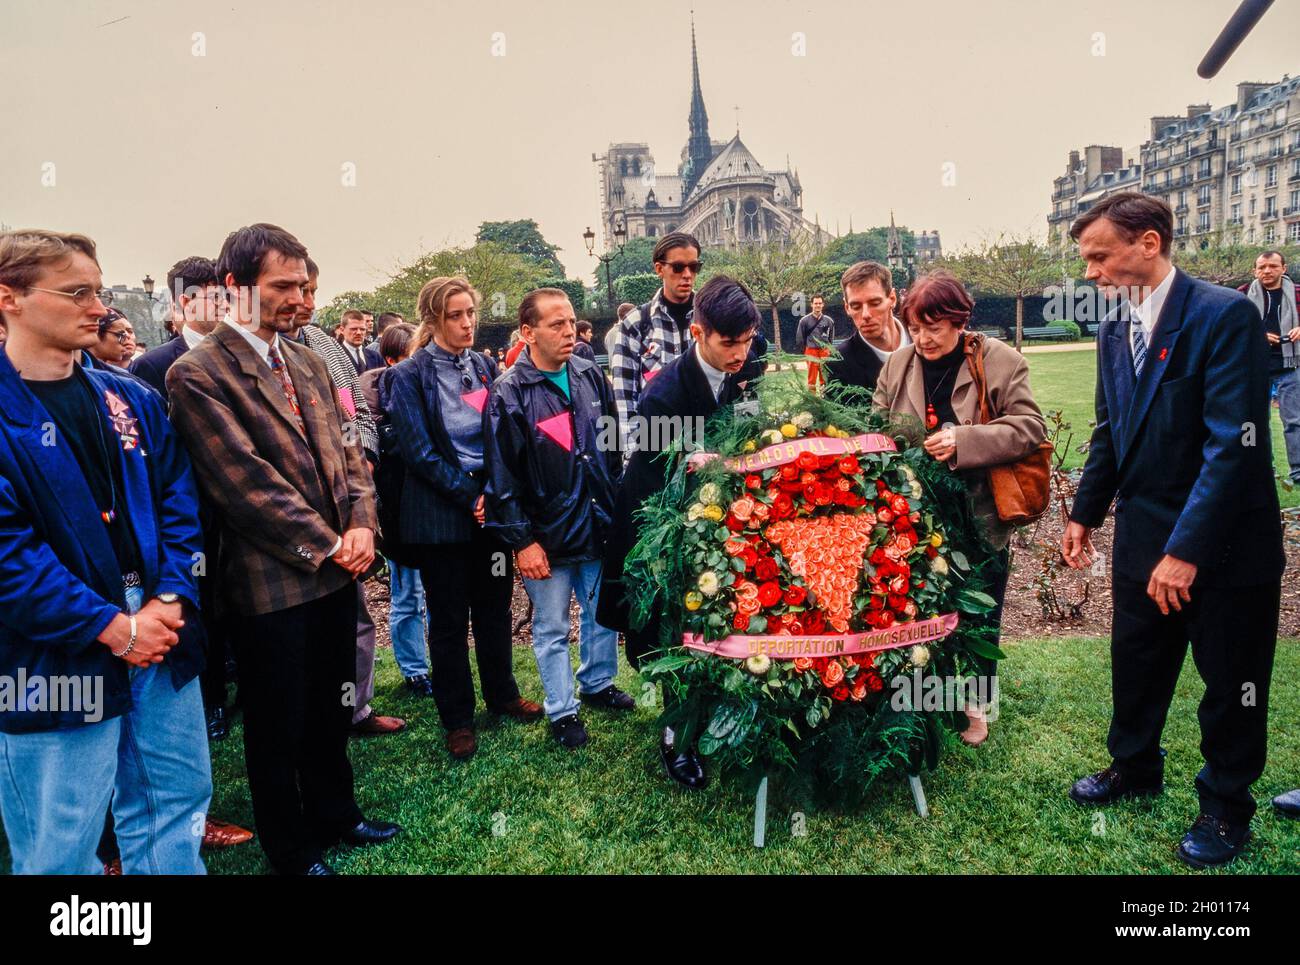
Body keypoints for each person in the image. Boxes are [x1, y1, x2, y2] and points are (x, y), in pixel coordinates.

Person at [167, 223, 402, 875]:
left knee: (331, 704)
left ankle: (337, 812)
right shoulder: (198, 373)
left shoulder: (303, 358)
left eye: (303, 283)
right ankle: (292, 849)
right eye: (284, 285)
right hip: (270, 582)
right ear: (236, 287)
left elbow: (350, 450)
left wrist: (362, 525)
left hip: (335, 568)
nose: (300, 296)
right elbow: (244, 484)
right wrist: (332, 543)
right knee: (278, 722)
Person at [1061, 192, 1283, 869]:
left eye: (1099, 256)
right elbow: (1109, 432)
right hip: (1141, 535)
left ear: (1149, 242)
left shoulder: (1225, 316)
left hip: (1223, 547)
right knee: (1137, 663)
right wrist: (1083, 513)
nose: (1091, 272)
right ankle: (1134, 765)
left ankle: (1225, 804)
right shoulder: (1111, 330)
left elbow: (1232, 447)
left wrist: (1185, 551)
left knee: (1231, 680)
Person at [0, 228, 211, 874]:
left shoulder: (132, 399)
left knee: (175, 803)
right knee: (61, 842)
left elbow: (181, 504)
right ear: (9, 298)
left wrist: (172, 595)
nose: (100, 307)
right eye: (77, 292)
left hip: (160, 623)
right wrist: (115, 628)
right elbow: (10, 559)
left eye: (99, 288)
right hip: (56, 651)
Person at [599, 275, 764, 787]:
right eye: (728, 342)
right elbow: (649, 466)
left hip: (727, 514)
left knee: (727, 613)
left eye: (747, 339)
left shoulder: (751, 365)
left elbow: (751, 427)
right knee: (675, 623)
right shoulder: (663, 391)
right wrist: (690, 460)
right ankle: (677, 732)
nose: (740, 353)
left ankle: (723, 710)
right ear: (698, 332)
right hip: (662, 520)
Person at [873, 270, 1045, 746]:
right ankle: (922, 696)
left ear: (959, 320)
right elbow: (876, 425)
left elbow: (1030, 427)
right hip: (914, 515)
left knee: (981, 608)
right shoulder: (897, 364)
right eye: (916, 327)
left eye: (935, 327)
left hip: (981, 512)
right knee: (921, 607)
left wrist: (965, 440)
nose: (924, 338)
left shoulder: (1000, 360)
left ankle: (976, 705)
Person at [385, 278, 542, 758]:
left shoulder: (481, 364)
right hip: (440, 516)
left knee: (495, 609)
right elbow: (417, 451)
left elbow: (498, 433)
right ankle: (457, 718)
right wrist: (468, 495)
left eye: (471, 311)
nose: (468, 322)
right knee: (449, 621)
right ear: (432, 321)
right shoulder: (408, 375)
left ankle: (502, 696)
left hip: (487, 510)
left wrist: (492, 492)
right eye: (456, 315)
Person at [484, 288, 633, 749]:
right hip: (544, 536)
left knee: (601, 615)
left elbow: (609, 450)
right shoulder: (509, 392)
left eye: (571, 321)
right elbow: (501, 475)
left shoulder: (591, 375)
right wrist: (521, 541)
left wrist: (613, 509)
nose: (569, 331)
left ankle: (598, 682)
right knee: (551, 628)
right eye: (556, 324)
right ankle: (562, 710)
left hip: (597, 523)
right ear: (528, 332)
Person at [289, 260, 401, 739]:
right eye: (294, 288)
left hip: (341, 507)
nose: (305, 301)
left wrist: (365, 465)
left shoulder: (326, 348)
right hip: (287, 524)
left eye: (311, 289)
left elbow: (354, 414)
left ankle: (355, 708)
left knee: (353, 617)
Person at [360, 322, 433, 697]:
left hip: (430, 514)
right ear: (392, 359)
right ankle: (414, 668)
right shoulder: (377, 407)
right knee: (407, 595)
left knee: (435, 594)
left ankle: (436, 662)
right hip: (398, 516)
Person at [611, 232, 702, 448]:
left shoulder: (711, 317)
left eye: (694, 267)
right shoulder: (636, 324)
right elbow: (624, 398)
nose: (687, 274)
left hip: (709, 445)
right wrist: (633, 456)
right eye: (678, 267)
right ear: (659, 269)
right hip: (655, 446)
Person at [1238, 250, 1300, 481]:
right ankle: (1255, 465)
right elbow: (1233, 326)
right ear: (1255, 270)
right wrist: (1258, 334)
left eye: (1273, 266)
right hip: (1254, 366)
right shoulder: (1243, 294)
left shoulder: (1297, 293)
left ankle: (1298, 470)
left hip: (1289, 365)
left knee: (1295, 421)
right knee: (1250, 420)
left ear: (1284, 268)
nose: (1267, 271)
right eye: (1262, 267)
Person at [130, 256, 225, 403]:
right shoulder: (152, 365)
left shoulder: (244, 351)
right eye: (215, 297)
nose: (225, 304)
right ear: (186, 302)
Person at [825, 261, 910, 394]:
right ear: (847, 308)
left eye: (875, 303)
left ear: (892, 299)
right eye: (856, 306)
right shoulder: (838, 362)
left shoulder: (921, 338)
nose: (866, 315)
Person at [794, 294, 840, 388]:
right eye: (816, 303)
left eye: (820, 303)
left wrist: (828, 349)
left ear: (823, 304)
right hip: (810, 350)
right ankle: (813, 399)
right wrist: (805, 351)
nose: (818, 305)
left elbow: (831, 337)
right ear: (811, 304)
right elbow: (800, 338)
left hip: (825, 350)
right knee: (812, 377)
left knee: (825, 376)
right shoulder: (804, 321)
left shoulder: (829, 321)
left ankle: (824, 396)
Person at [338, 309, 380, 374]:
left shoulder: (376, 357)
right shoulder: (335, 358)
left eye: (362, 329)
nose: (358, 332)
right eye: (353, 329)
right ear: (342, 330)